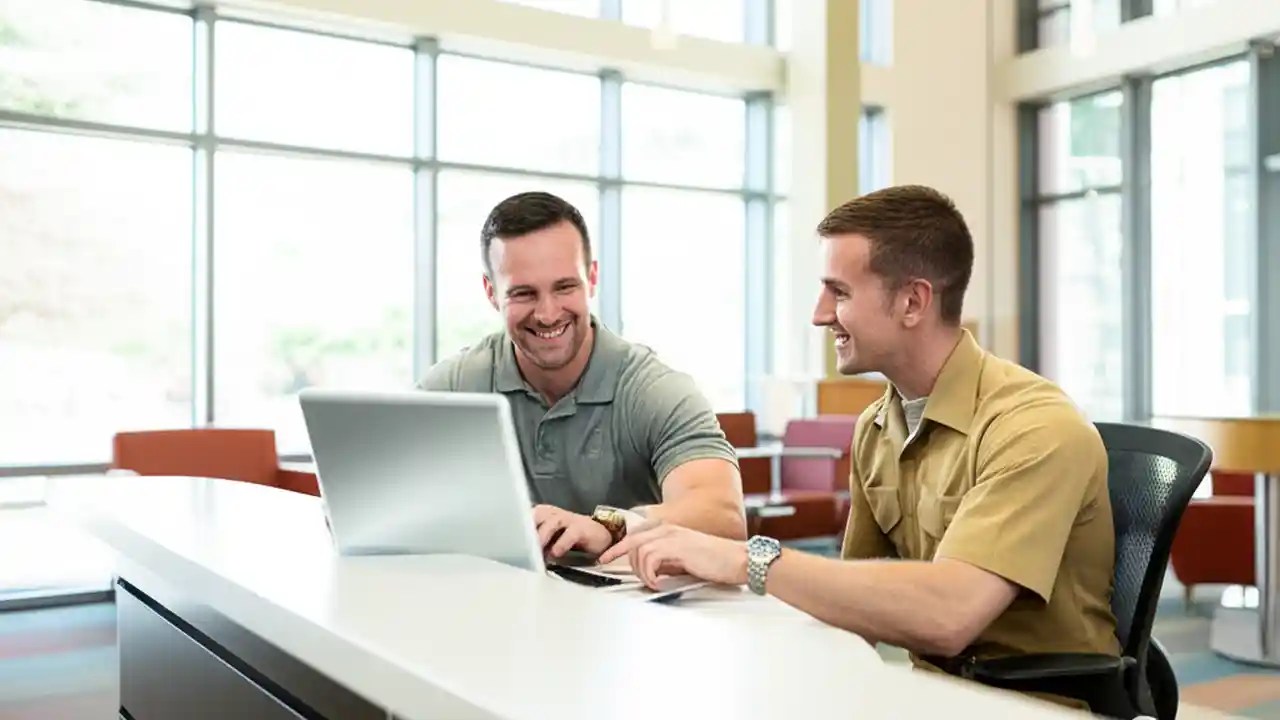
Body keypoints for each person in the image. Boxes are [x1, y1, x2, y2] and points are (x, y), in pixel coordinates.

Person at [600, 185, 1119, 704]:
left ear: (912, 301)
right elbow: (849, 602)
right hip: (929, 697)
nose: (820, 314)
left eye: (839, 292)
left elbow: (949, 615)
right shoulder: (877, 425)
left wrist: (748, 560)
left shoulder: (1034, 428)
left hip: (1033, 707)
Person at [417, 191, 746, 560]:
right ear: (492, 293)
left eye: (564, 287)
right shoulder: (454, 386)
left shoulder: (653, 389)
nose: (547, 313)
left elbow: (724, 515)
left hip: (628, 609)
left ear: (591, 278)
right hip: (497, 601)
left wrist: (608, 526)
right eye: (524, 293)